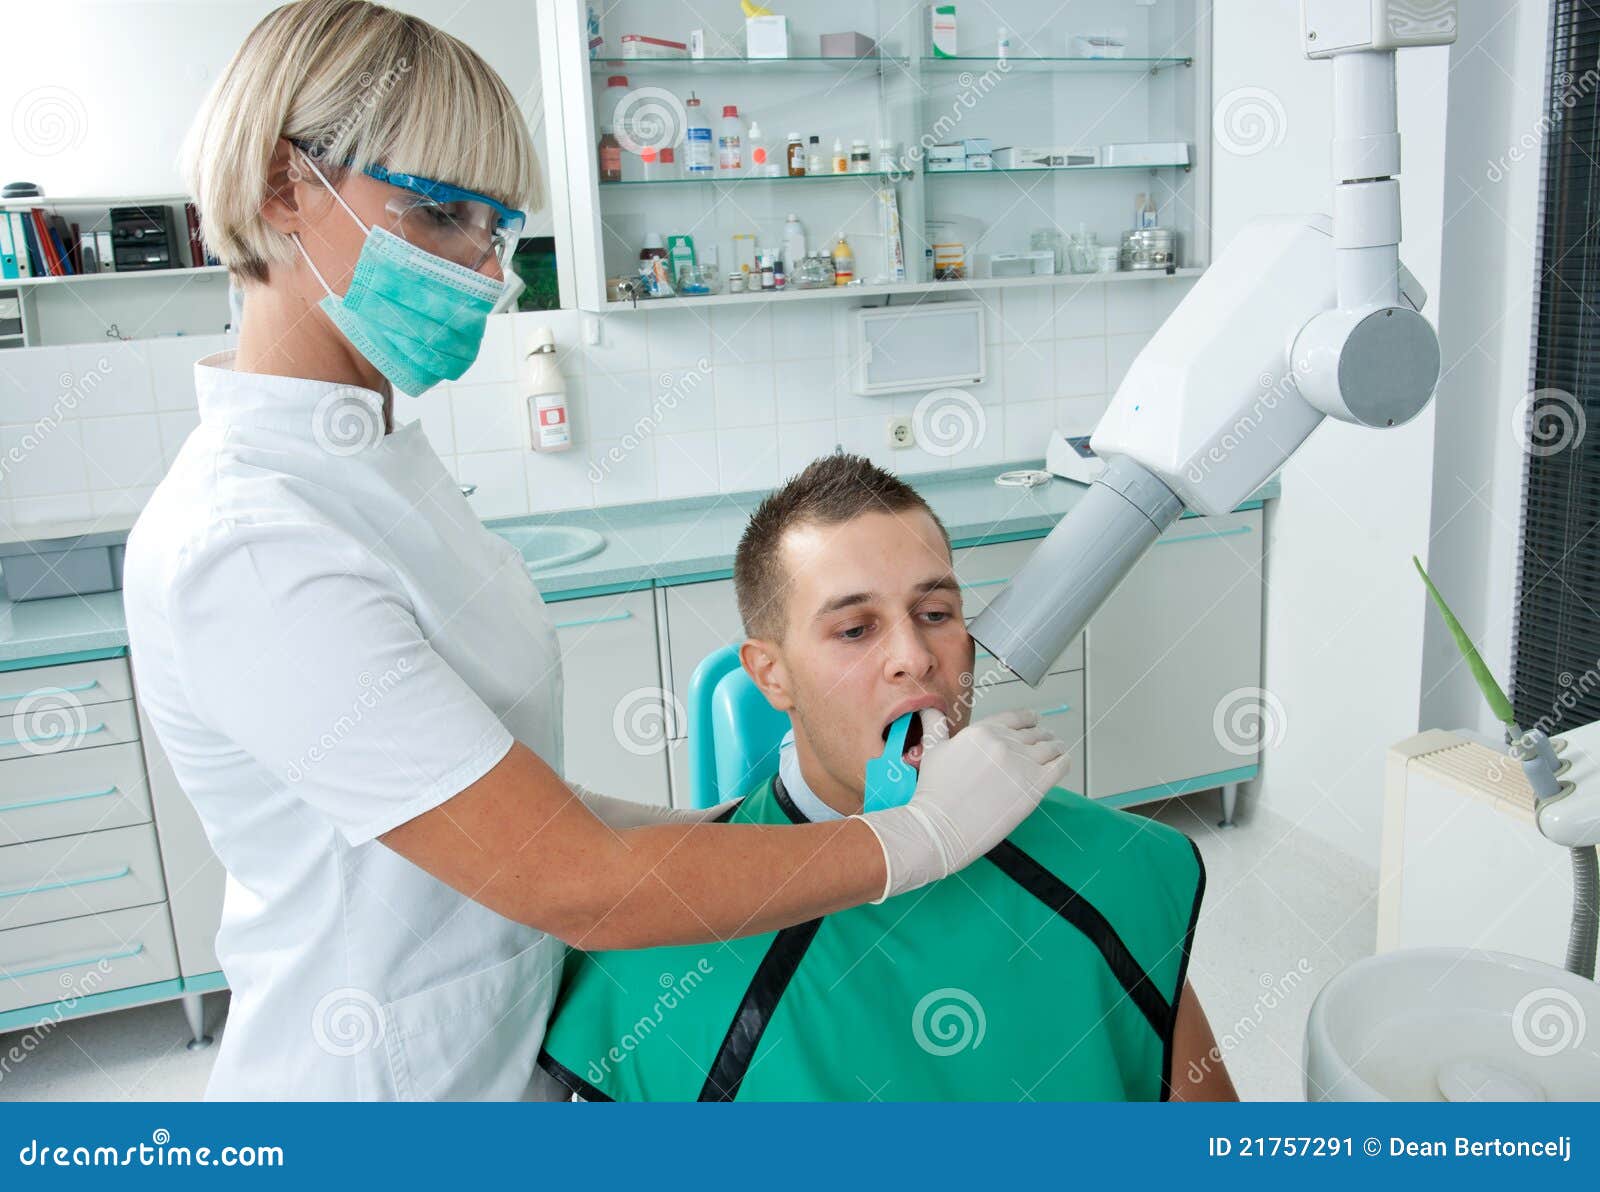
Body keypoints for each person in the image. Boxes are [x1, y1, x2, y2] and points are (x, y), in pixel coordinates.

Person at [121, 0, 1070, 1101]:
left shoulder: (376, 468)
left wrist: (707, 833)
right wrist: (920, 837)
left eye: (495, 230)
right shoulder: (250, 543)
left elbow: (484, 786)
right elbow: (573, 882)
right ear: (285, 186)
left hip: (515, 1041)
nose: (482, 271)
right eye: (437, 215)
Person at [538, 454, 1238, 1101]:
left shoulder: (1112, 876)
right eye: (854, 630)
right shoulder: (655, 963)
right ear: (770, 674)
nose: (914, 657)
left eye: (935, 614)